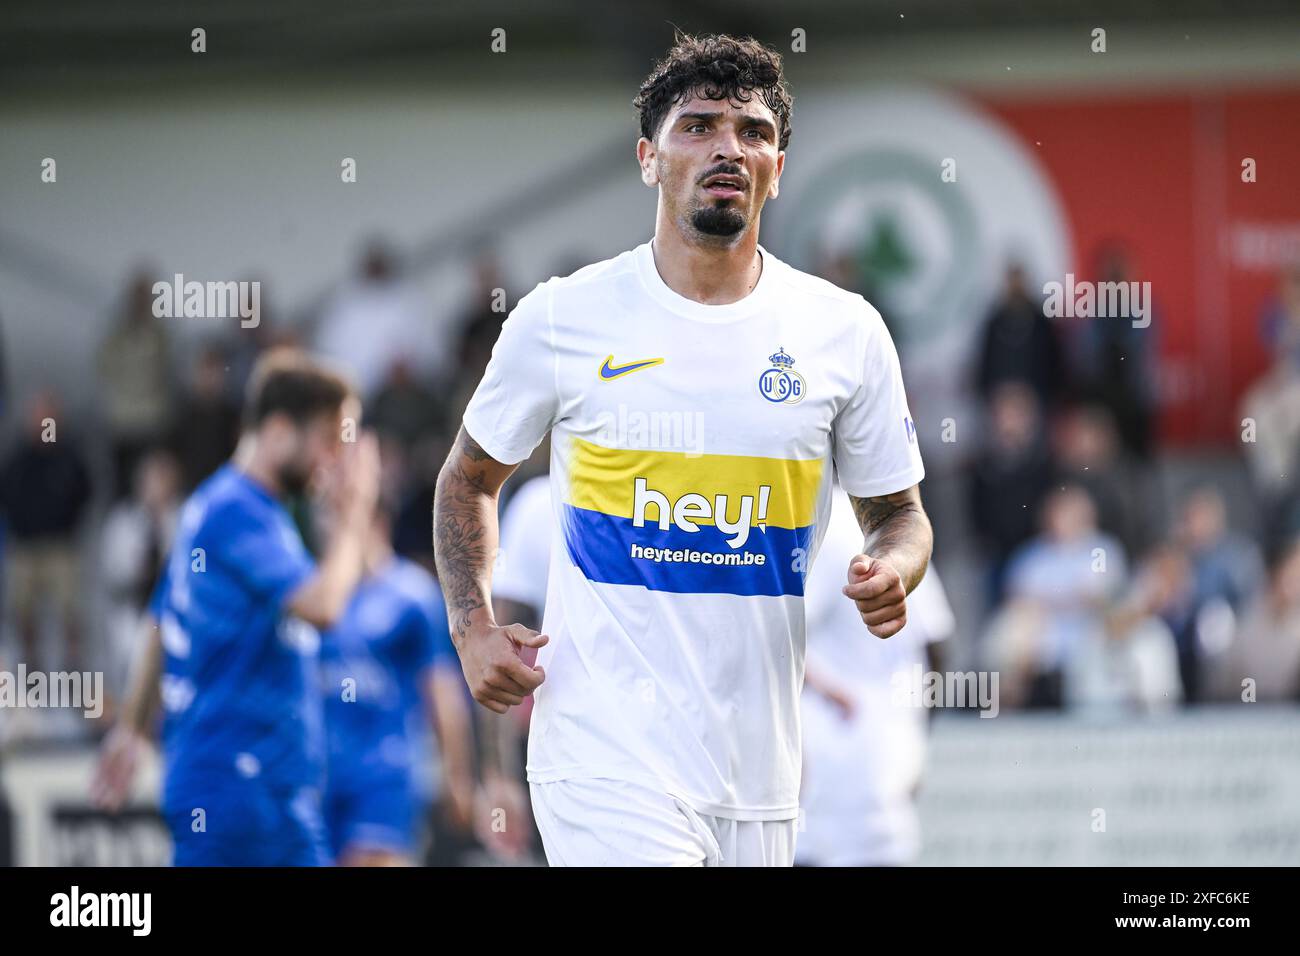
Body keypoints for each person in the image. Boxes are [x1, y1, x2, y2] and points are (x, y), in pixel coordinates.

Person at [433, 33, 932, 867]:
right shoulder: (562, 319)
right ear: (647, 158)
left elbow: (900, 516)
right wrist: (471, 625)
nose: (727, 147)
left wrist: (893, 569)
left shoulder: (844, 333)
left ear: (778, 165)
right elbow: (468, 479)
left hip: (760, 772)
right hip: (602, 758)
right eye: (697, 126)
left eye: (752, 131)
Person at [92, 348, 380, 866]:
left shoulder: (222, 507)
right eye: (329, 440)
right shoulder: (238, 510)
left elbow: (161, 620)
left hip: (254, 789)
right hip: (241, 788)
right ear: (277, 431)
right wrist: (356, 514)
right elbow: (323, 606)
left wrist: (132, 727)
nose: (334, 461)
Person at [797, 489, 954, 867]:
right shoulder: (900, 530)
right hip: (893, 751)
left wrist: (826, 689)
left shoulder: (821, 520)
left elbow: (775, 635)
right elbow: (937, 645)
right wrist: (918, 742)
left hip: (833, 767)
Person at [320, 503, 475, 866]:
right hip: (324, 778)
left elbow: (441, 690)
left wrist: (458, 776)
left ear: (377, 522)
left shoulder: (412, 597)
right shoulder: (322, 598)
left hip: (386, 777)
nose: (331, 532)